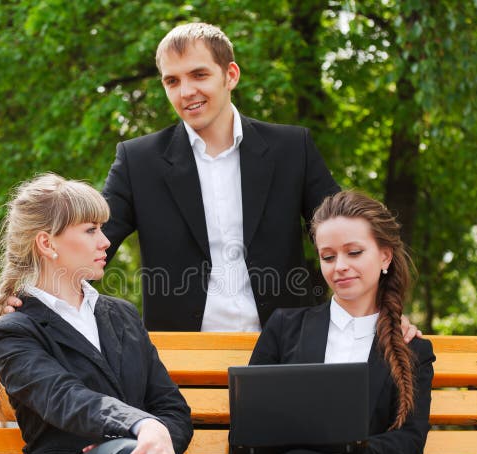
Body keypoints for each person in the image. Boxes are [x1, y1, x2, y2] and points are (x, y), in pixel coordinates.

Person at [0, 173, 204, 454]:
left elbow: (172, 408)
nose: (105, 241)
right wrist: (138, 427)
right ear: (47, 243)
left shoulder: (122, 316)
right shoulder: (15, 331)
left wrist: (159, 441)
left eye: (102, 228)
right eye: (90, 230)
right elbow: (63, 397)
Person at [213, 191, 439, 454]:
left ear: (385, 256)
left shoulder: (411, 348)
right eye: (328, 256)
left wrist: (338, 449)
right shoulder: (284, 329)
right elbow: (246, 436)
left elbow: (406, 445)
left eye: (354, 252)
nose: (340, 266)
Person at [100, 22, 341, 332]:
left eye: (199, 75)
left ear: (231, 75)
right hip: (181, 357)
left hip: (285, 349)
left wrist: (383, 310)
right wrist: (25, 292)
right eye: (172, 81)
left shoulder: (293, 149)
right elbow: (90, 241)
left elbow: (347, 235)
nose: (186, 92)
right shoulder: (138, 161)